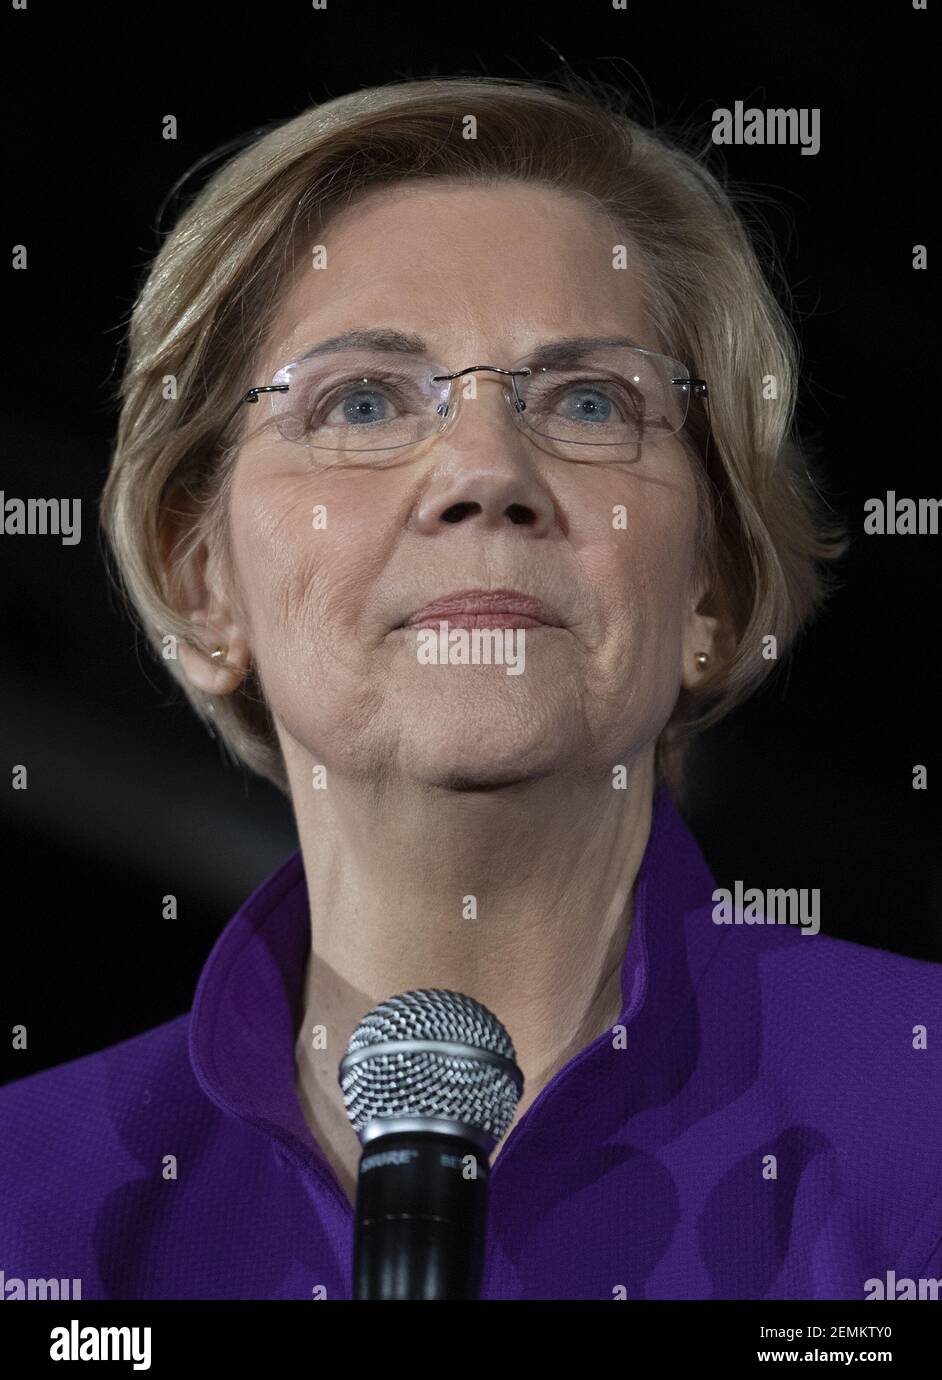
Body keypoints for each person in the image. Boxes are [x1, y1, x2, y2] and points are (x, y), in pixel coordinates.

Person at [1, 75, 939, 1301]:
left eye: (592, 402)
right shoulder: (28, 1201)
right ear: (204, 582)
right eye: (365, 400)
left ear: (707, 589)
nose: (486, 469)